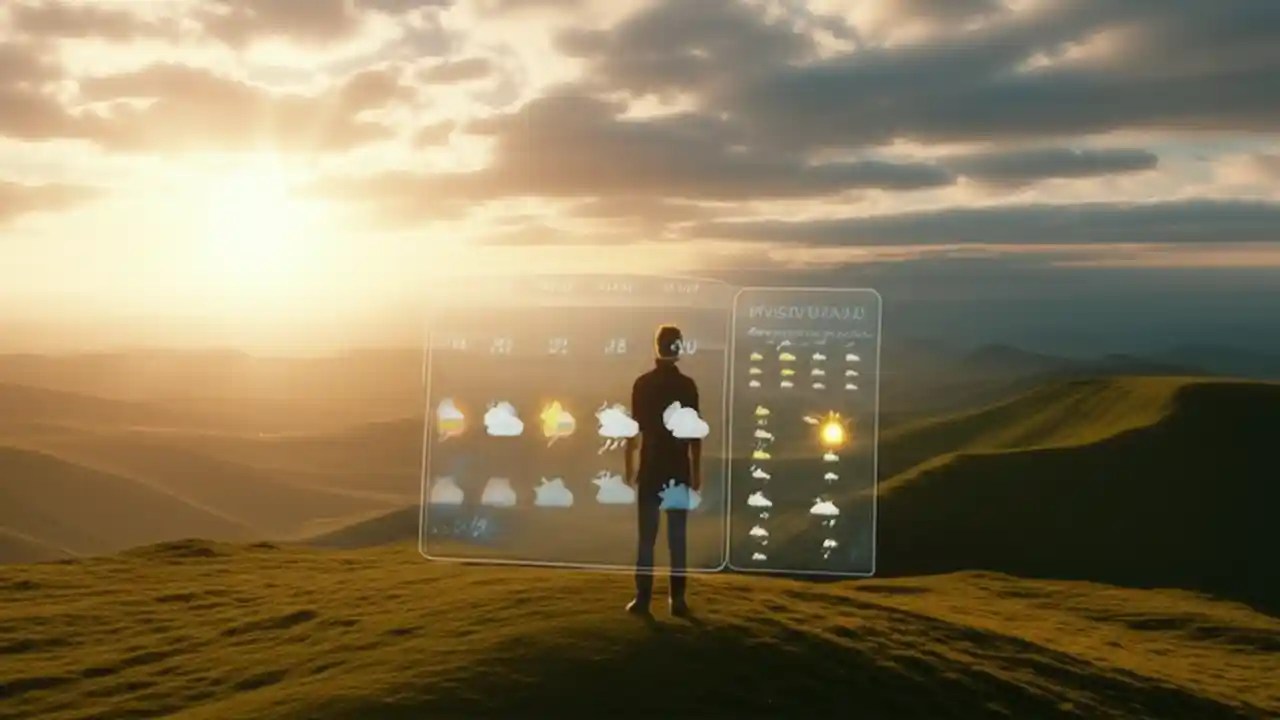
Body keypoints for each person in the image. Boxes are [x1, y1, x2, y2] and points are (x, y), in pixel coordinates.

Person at [624, 324, 702, 617]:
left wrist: (628, 464)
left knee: (647, 538)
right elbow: (695, 433)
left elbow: (635, 431)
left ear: (656, 347)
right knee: (677, 538)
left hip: (651, 465)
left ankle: (643, 598)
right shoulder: (687, 386)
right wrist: (696, 470)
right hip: (678, 468)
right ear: (678, 347)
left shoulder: (642, 384)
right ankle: (677, 600)